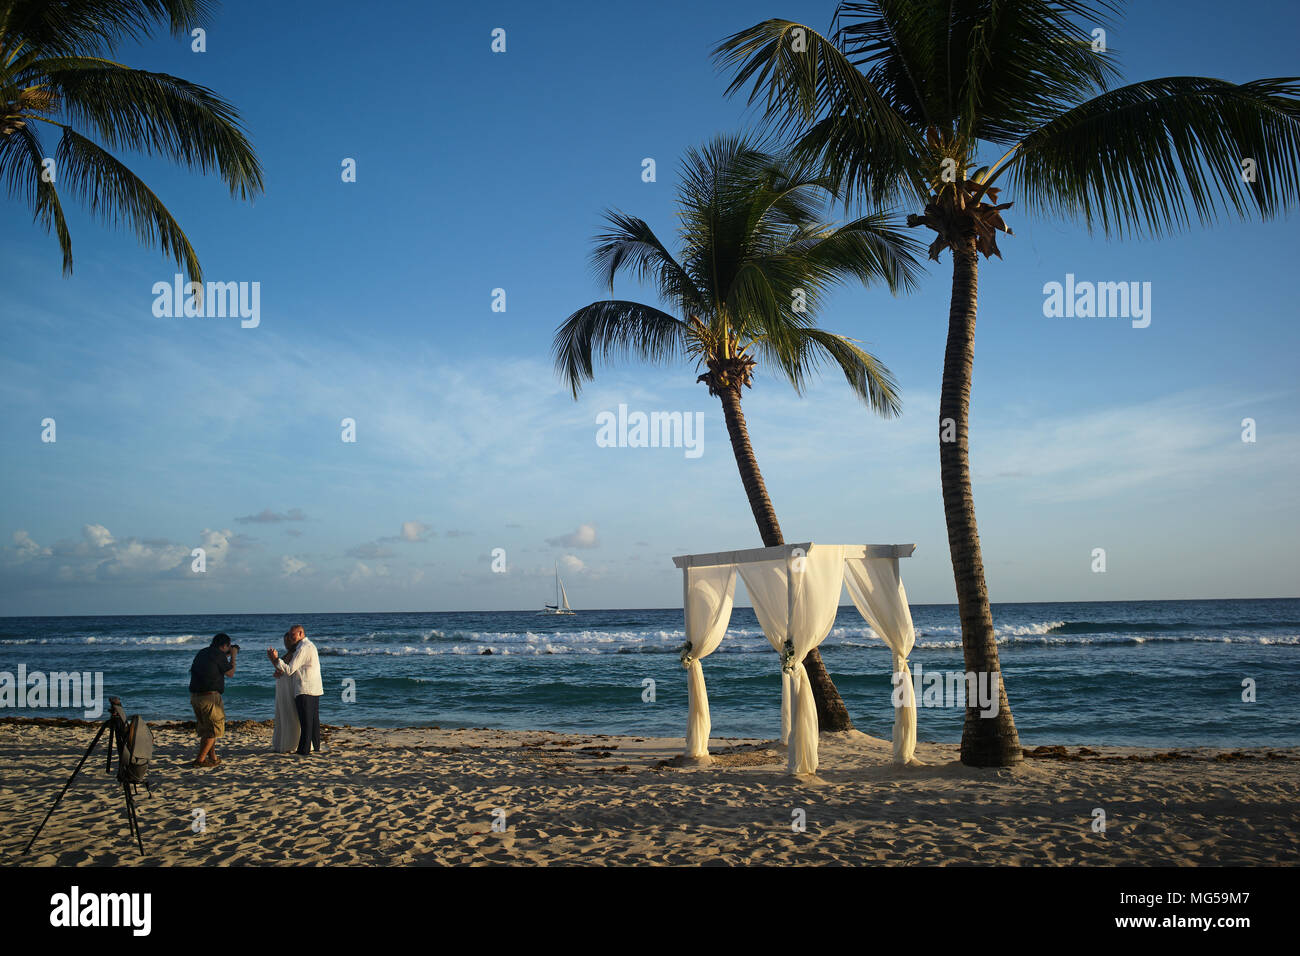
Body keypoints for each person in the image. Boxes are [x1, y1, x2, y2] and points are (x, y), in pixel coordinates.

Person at [267, 624, 322, 755]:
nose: (291, 638)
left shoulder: (303, 648)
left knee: (306, 722)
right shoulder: (307, 646)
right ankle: (316, 747)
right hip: (313, 687)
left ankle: (304, 750)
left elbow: (290, 669)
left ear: (301, 634)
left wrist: (275, 659)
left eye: (293, 635)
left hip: (305, 687)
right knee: (313, 721)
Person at [189, 632, 238, 768]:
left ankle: (213, 757)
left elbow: (213, 663)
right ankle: (200, 760)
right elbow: (230, 673)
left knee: (207, 729)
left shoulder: (203, 652)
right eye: (228, 647)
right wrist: (233, 656)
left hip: (195, 697)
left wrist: (225, 655)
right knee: (213, 730)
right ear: (225, 645)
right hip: (209, 697)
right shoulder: (219, 655)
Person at [270, 630, 302, 753]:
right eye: (285, 641)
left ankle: (291, 744)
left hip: (288, 688)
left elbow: (288, 670)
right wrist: (274, 662)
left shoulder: (294, 654)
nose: (286, 643)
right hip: (283, 687)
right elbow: (280, 668)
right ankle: (284, 743)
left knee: (290, 713)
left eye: (288, 641)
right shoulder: (289, 654)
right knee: (283, 713)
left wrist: (274, 659)